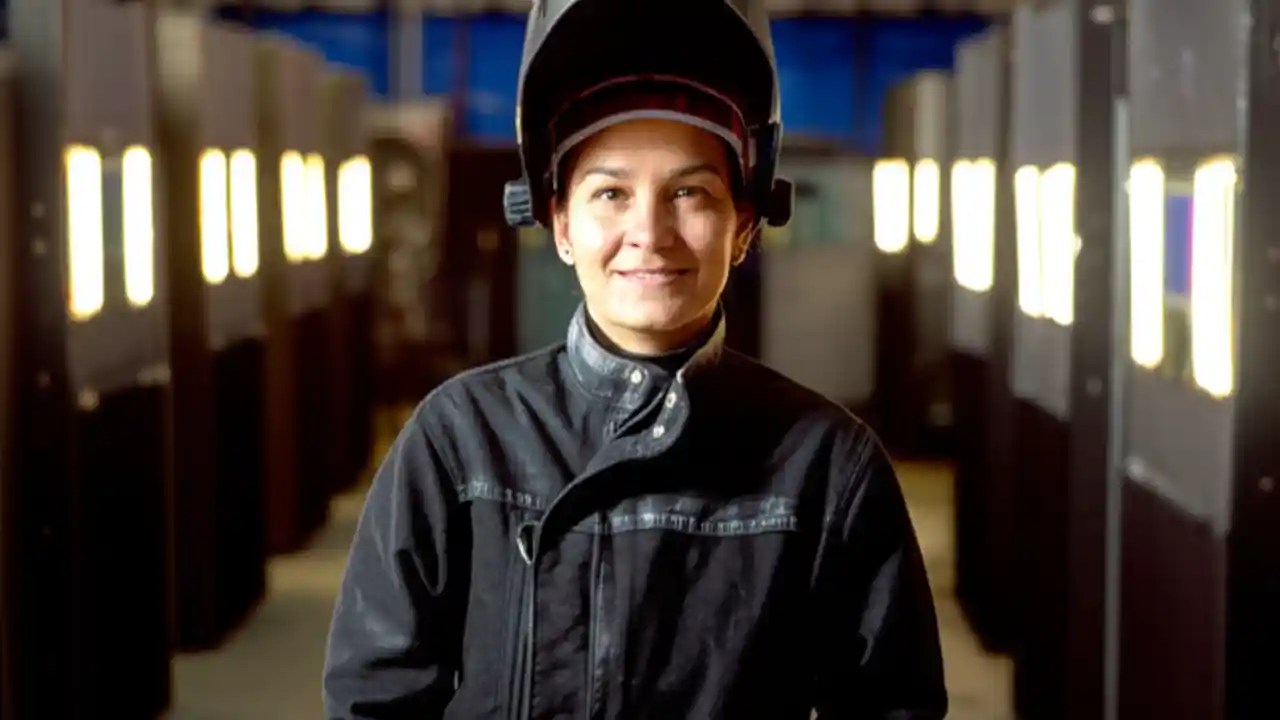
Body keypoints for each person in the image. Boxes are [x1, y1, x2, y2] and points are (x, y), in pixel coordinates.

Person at [323, 1, 947, 717]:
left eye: (689, 192)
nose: (648, 232)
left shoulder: (828, 466)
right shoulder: (461, 438)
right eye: (611, 193)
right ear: (558, 223)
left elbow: (892, 707)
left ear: (743, 226)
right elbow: (376, 697)